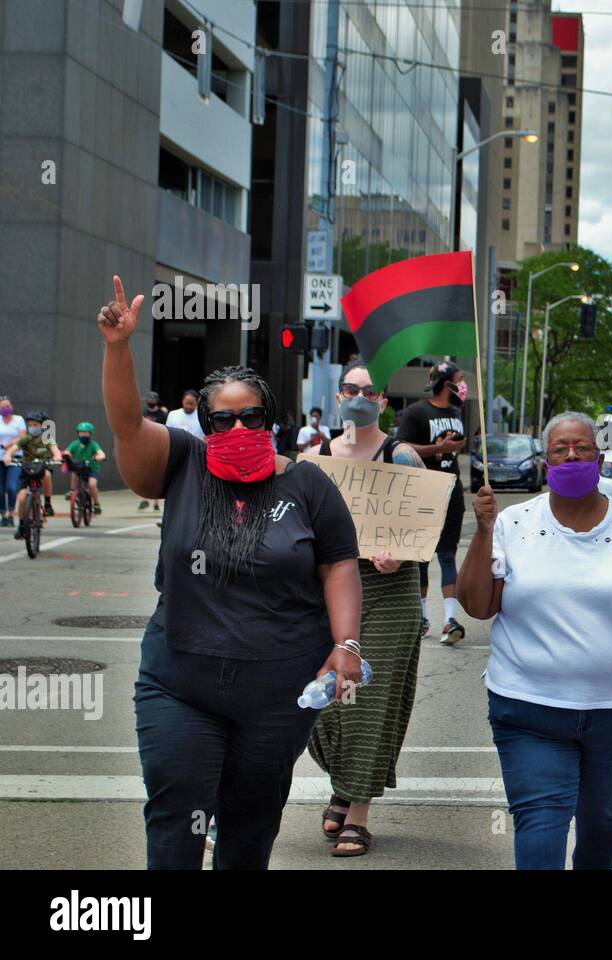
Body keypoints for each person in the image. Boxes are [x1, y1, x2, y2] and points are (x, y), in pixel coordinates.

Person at [99, 275, 363, 870]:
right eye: (223, 420)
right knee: (176, 819)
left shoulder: (306, 483)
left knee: (249, 828)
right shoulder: (180, 463)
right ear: (205, 424)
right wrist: (118, 348)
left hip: (276, 694)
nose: (237, 430)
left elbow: (339, 564)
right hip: (179, 683)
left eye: (251, 418)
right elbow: (125, 428)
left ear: (270, 419)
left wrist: (345, 643)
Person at [458, 411, 612, 870]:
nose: (571, 456)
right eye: (560, 449)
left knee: (603, 821)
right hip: (527, 706)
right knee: (540, 820)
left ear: (600, 458)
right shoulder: (512, 524)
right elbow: (477, 605)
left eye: (582, 448)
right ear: (546, 462)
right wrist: (485, 533)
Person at [305, 360, 426, 857]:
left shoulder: (403, 456)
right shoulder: (313, 459)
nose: (358, 396)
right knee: (323, 703)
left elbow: (425, 525)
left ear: (380, 401)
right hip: (329, 589)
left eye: (368, 391)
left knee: (366, 701)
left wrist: (402, 549)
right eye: (349, 389)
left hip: (389, 591)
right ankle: (344, 781)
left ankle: (357, 813)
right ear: (338, 399)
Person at [395, 361, 468, 644]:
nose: (463, 386)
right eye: (459, 380)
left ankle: (450, 620)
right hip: (425, 489)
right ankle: (421, 618)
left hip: (452, 489)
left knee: (448, 554)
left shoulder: (456, 411)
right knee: (423, 556)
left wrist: (455, 447)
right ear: (446, 383)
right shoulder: (416, 412)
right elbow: (402, 446)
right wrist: (439, 448)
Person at [5, 409, 60, 540]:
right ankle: (22, 526)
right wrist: (8, 455)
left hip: (41, 467)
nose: (32, 427)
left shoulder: (47, 439)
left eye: (36, 425)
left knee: (47, 475)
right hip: (27, 469)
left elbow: (55, 450)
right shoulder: (25, 439)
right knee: (22, 498)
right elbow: (14, 448)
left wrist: (57, 456)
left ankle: (47, 504)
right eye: (30, 425)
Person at [63, 421, 107, 515]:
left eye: (85, 433)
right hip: (79, 467)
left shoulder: (93, 444)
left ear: (90, 434)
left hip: (92, 469)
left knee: (92, 484)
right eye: (81, 432)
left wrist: (99, 457)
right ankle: (72, 491)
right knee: (74, 473)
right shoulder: (75, 444)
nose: (83, 435)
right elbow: (67, 452)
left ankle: (96, 504)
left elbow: (101, 453)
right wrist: (66, 456)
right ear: (78, 433)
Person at [139, 391, 166, 511]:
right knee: (144, 473)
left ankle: (156, 503)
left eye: (151, 400)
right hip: (145, 444)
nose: (149, 402)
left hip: (158, 445)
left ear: (156, 401)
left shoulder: (162, 414)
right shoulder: (143, 413)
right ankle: (144, 500)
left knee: (157, 474)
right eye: (148, 401)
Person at [0, 397, 25, 527]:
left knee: (11, 487)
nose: (5, 409)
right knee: (0, 489)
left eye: (7, 406)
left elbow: (22, 437)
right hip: (0, 459)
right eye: (2, 407)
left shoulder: (18, 420)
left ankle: (11, 514)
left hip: (15, 457)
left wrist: (8, 445)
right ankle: (3, 515)